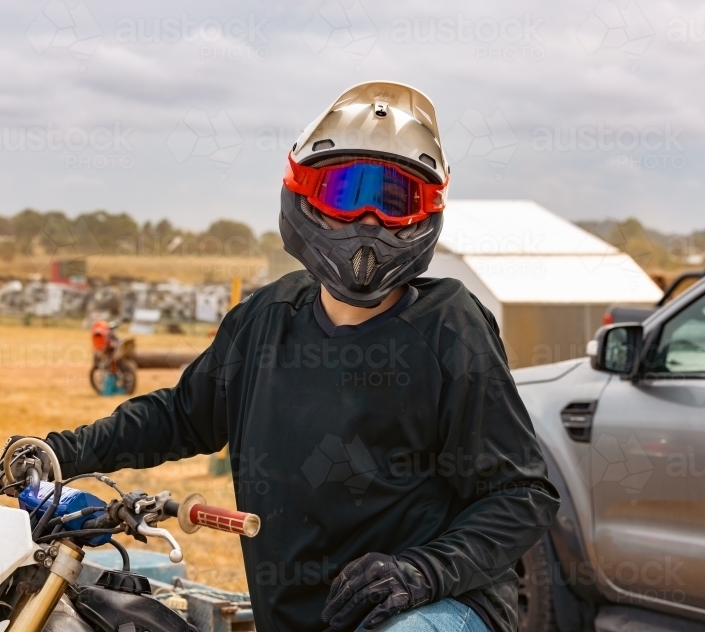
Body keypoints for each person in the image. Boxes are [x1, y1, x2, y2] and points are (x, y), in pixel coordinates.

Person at [41, 82, 559, 632]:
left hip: (434, 605)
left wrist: (423, 572)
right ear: (304, 193)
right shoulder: (266, 318)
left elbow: (522, 492)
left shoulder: (448, 327)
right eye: (347, 193)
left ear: (423, 214)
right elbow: (180, 416)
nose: (368, 220)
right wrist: (58, 452)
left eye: (394, 201)